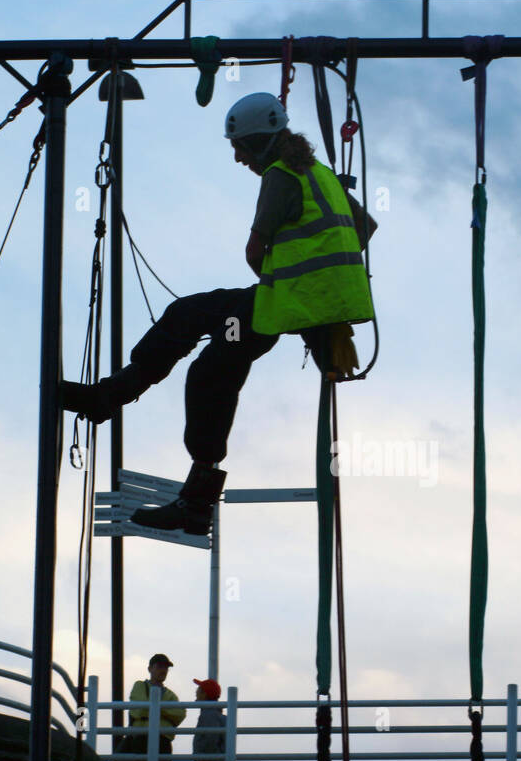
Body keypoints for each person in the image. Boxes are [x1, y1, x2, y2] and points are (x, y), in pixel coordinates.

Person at [61, 93, 377, 535]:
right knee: (205, 341)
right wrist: (318, 289)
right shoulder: (321, 175)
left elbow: (254, 251)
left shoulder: (281, 176)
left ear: (263, 143)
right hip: (298, 306)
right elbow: (364, 228)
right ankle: (127, 417)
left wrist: (292, 286)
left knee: (206, 357)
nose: (238, 157)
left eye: (242, 147)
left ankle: (119, 409)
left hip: (281, 306)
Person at [117, 653, 186, 761]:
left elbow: (180, 715)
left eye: (166, 668)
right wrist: (165, 710)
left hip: (163, 741)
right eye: (159, 666)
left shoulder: (171, 694)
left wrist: (154, 707)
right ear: (150, 669)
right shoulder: (140, 686)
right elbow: (140, 708)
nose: (163, 670)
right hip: (141, 738)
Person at [192, 677, 226, 761]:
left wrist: (204, 759)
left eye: (198, 690)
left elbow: (210, 739)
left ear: (204, 694)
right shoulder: (215, 714)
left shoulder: (209, 714)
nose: (196, 692)